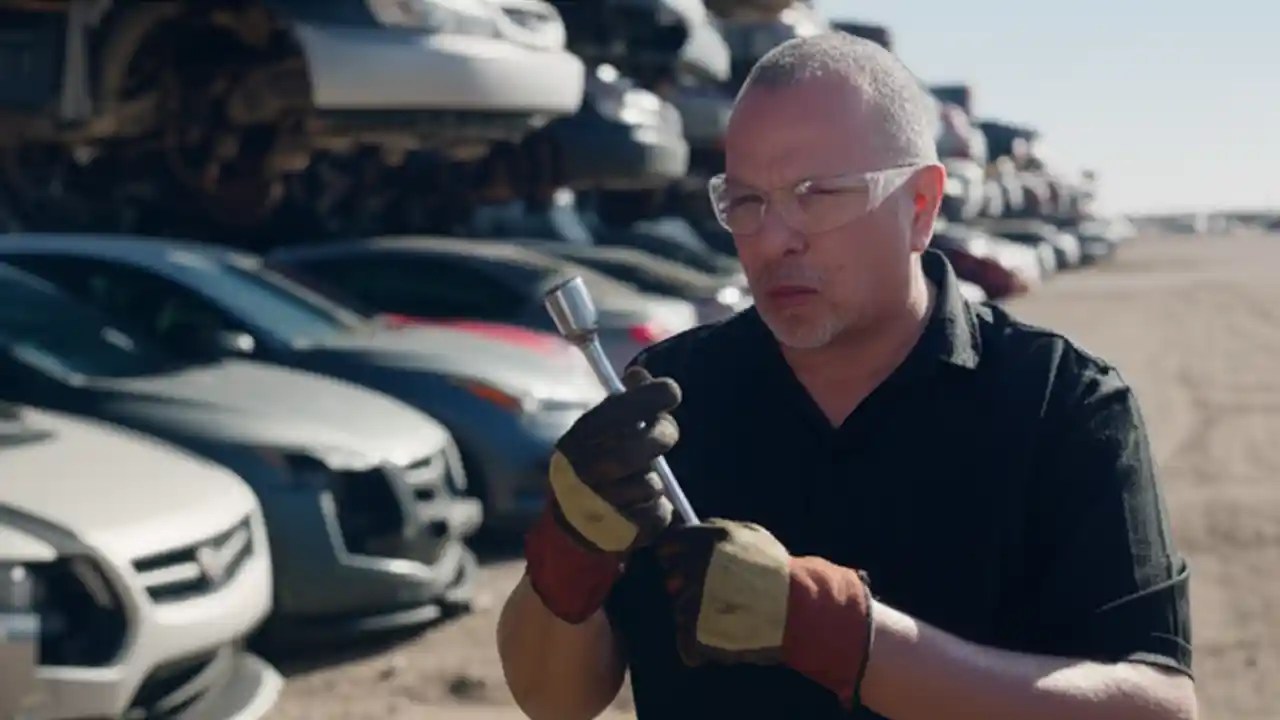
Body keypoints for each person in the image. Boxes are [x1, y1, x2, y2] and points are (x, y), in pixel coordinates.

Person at [496, 32, 1197, 720]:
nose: (773, 238)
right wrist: (570, 552)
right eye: (746, 202)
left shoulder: (1062, 404)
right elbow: (551, 700)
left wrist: (849, 639)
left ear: (920, 206)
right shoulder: (673, 398)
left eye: (817, 194)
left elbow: (1157, 709)